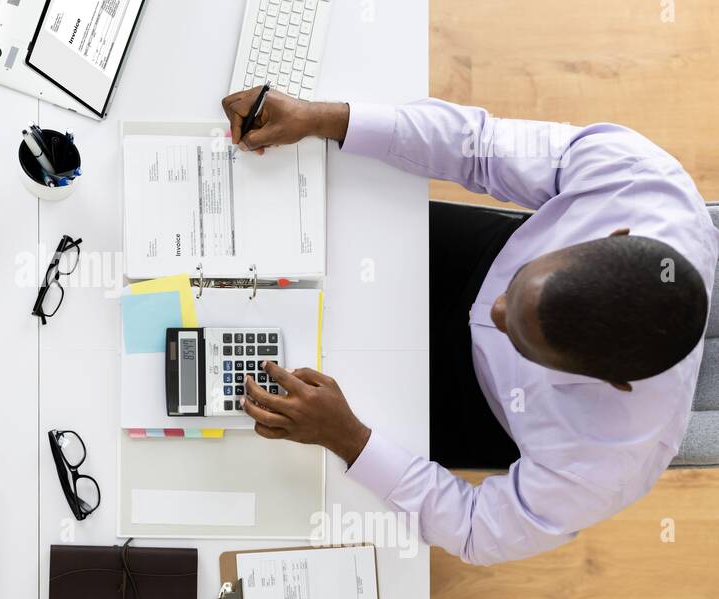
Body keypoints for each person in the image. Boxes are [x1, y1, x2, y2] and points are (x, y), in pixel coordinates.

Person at [220, 89, 716, 565]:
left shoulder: (604, 460)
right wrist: (324, 117)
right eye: (518, 291)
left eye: (522, 340)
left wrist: (350, 438)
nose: (494, 315)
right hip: (479, 261)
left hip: (481, 403)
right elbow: (478, 146)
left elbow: (478, 529)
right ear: (611, 233)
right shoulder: (638, 179)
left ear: (613, 384)